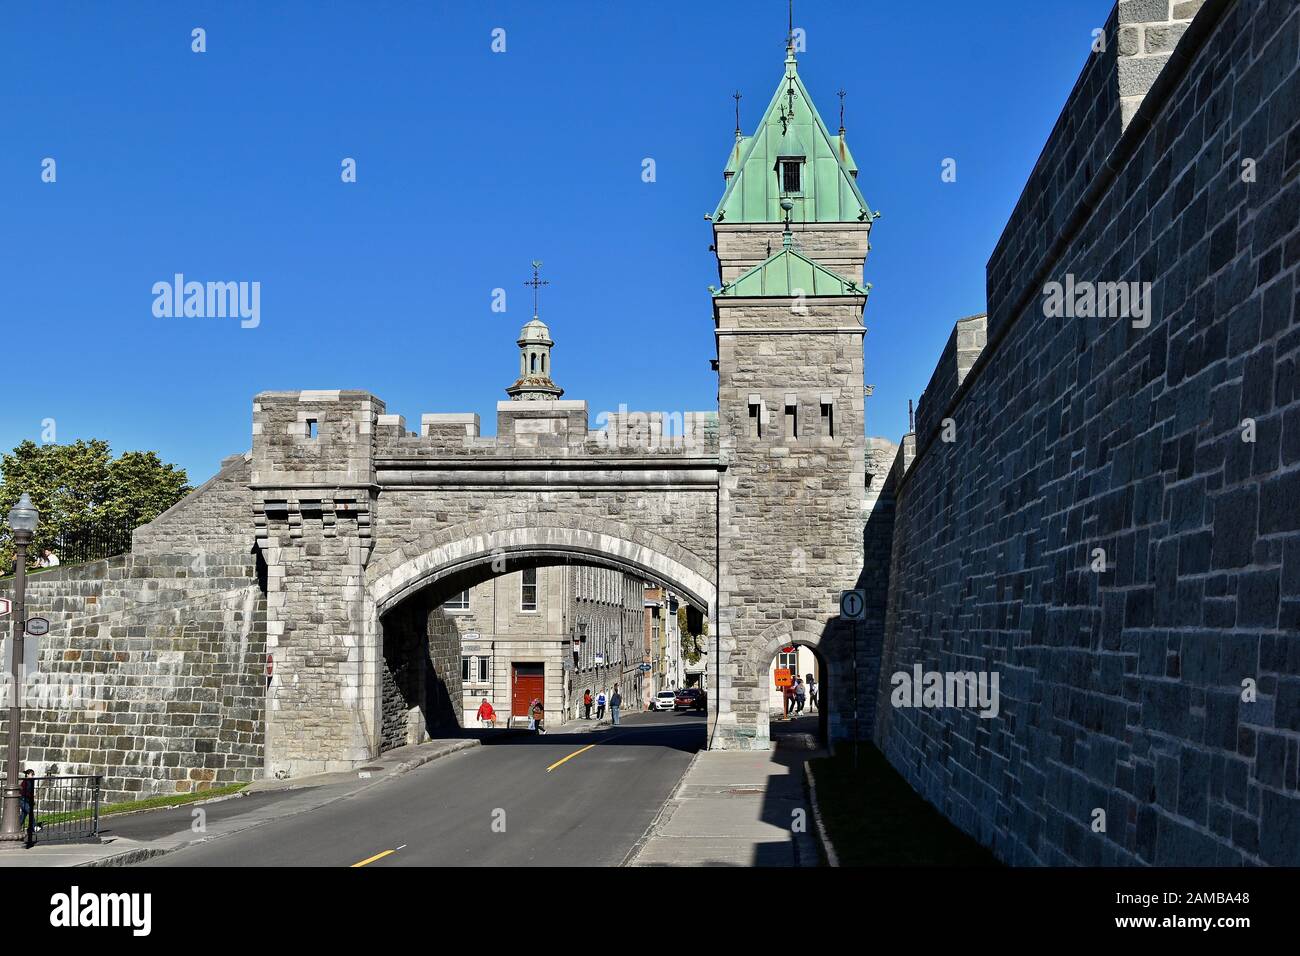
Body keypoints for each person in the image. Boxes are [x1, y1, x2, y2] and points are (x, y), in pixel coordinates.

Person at [19, 769, 40, 843]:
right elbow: (23, 792)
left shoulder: (30, 781)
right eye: (31, 774)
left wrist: (32, 796)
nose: (32, 775)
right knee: (30, 812)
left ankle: (17, 827)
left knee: (23, 815)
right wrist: (32, 795)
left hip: (26, 801)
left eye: (33, 774)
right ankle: (34, 827)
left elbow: (29, 792)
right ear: (27, 774)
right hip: (23, 800)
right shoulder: (25, 782)